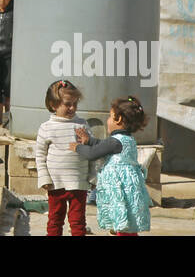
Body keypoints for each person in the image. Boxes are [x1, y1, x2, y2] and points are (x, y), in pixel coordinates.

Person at [72, 95, 152, 236]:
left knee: (121, 224)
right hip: (129, 190)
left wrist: (77, 147)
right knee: (128, 224)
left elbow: (93, 154)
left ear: (119, 119)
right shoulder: (128, 140)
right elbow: (102, 146)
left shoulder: (115, 142)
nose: (107, 120)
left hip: (118, 190)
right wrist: (89, 140)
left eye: (110, 116)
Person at [35, 79, 95, 236]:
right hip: (56, 184)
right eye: (67, 104)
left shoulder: (82, 125)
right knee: (55, 220)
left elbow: (92, 153)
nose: (72, 108)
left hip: (78, 183)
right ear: (53, 104)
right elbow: (40, 155)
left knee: (78, 222)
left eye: (75, 104)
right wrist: (44, 178)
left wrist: (93, 176)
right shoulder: (46, 128)